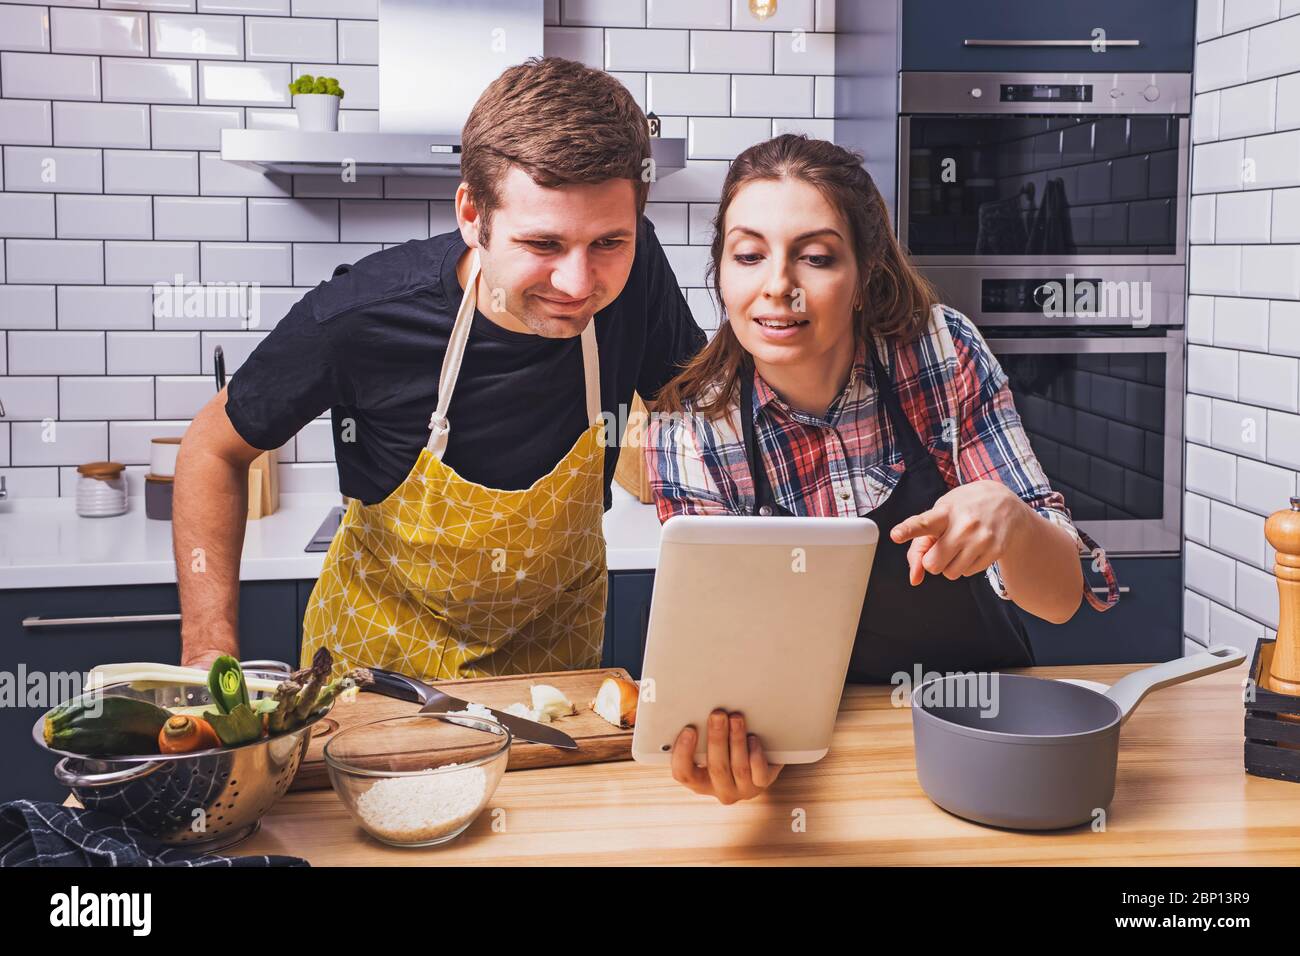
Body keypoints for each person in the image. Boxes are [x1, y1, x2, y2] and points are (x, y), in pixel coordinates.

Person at [174, 57, 705, 679]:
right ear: (472, 215)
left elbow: (696, 419)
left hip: (554, 683)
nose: (578, 282)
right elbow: (212, 448)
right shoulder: (362, 314)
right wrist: (207, 650)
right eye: (543, 244)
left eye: (608, 242)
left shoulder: (638, 271)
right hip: (377, 681)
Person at [645, 134, 1119, 804]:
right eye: (748, 254)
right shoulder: (691, 430)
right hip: (820, 751)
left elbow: (1063, 597)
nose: (778, 286)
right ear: (721, 272)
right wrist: (743, 753)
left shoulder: (939, 351)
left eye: (815, 257)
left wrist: (1012, 523)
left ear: (865, 276)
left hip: (985, 730)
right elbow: (725, 668)